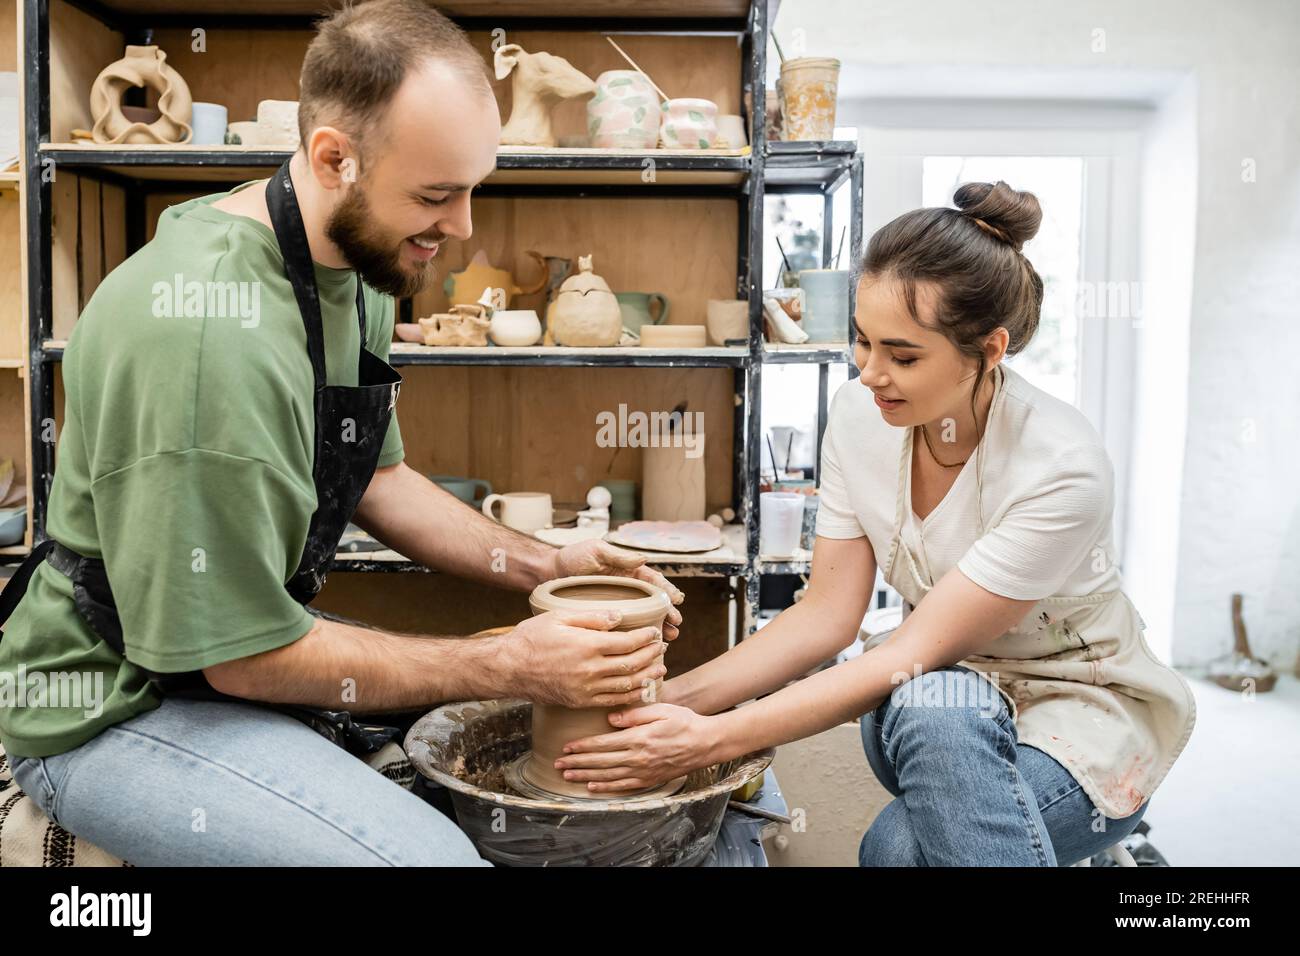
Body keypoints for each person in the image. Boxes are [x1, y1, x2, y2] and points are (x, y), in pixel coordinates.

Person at [0, 0, 682, 866]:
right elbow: (244, 659)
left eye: (473, 187)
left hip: (219, 654)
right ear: (333, 157)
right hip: (108, 704)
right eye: (436, 196)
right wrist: (510, 663)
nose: (464, 227)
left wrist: (546, 563)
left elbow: (374, 476)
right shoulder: (204, 337)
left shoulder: (349, 262)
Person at [552, 180, 1197, 866]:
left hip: (1083, 712)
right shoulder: (861, 418)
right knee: (932, 705)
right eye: (862, 341)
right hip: (933, 698)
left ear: (990, 349)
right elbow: (826, 617)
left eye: (904, 355)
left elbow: (902, 653)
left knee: (896, 849)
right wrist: (669, 703)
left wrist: (707, 741)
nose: (870, 373)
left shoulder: (1061, 467)